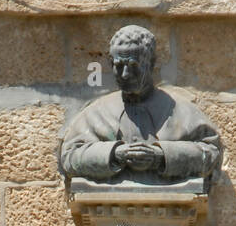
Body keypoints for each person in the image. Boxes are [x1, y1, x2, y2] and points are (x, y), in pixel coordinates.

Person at [59, 25, 223, 185]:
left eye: (133, 66)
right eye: (118, 66)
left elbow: (210, 152)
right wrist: (114, 154)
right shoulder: (97, 113)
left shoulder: (182, 112)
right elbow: (70, 156)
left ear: (151, 64)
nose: (125, 74)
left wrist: (162, 156)